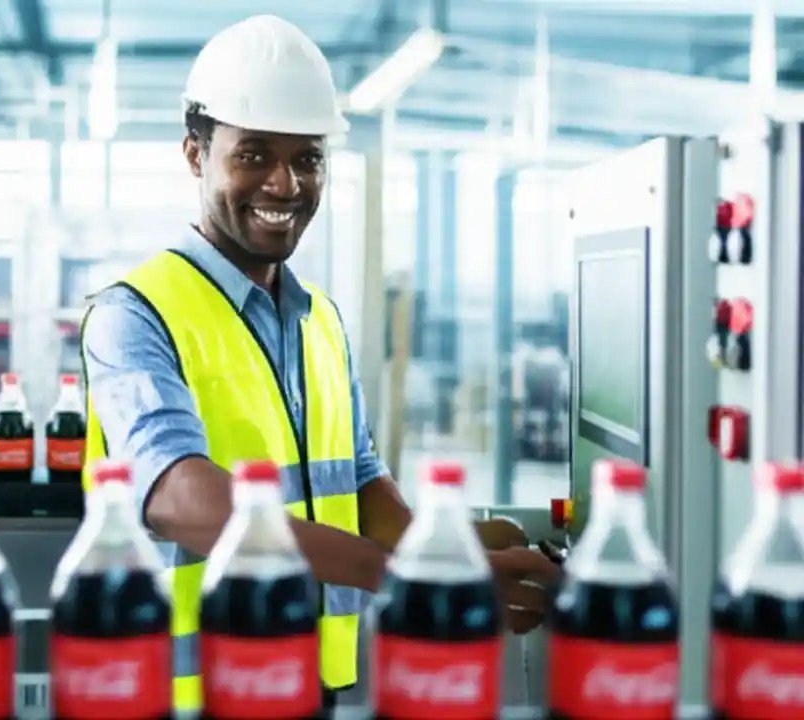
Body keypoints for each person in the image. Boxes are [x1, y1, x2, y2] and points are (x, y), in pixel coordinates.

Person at [79, 14, 561, 712]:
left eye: (307, 158)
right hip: (184, 692)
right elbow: (184, 500)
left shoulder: (320, 322)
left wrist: (455, 559)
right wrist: (408, 580)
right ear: (195, 154)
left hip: (308, 685)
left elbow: (359, 484)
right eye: (254, 155)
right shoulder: (135, 315)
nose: (285, 184)